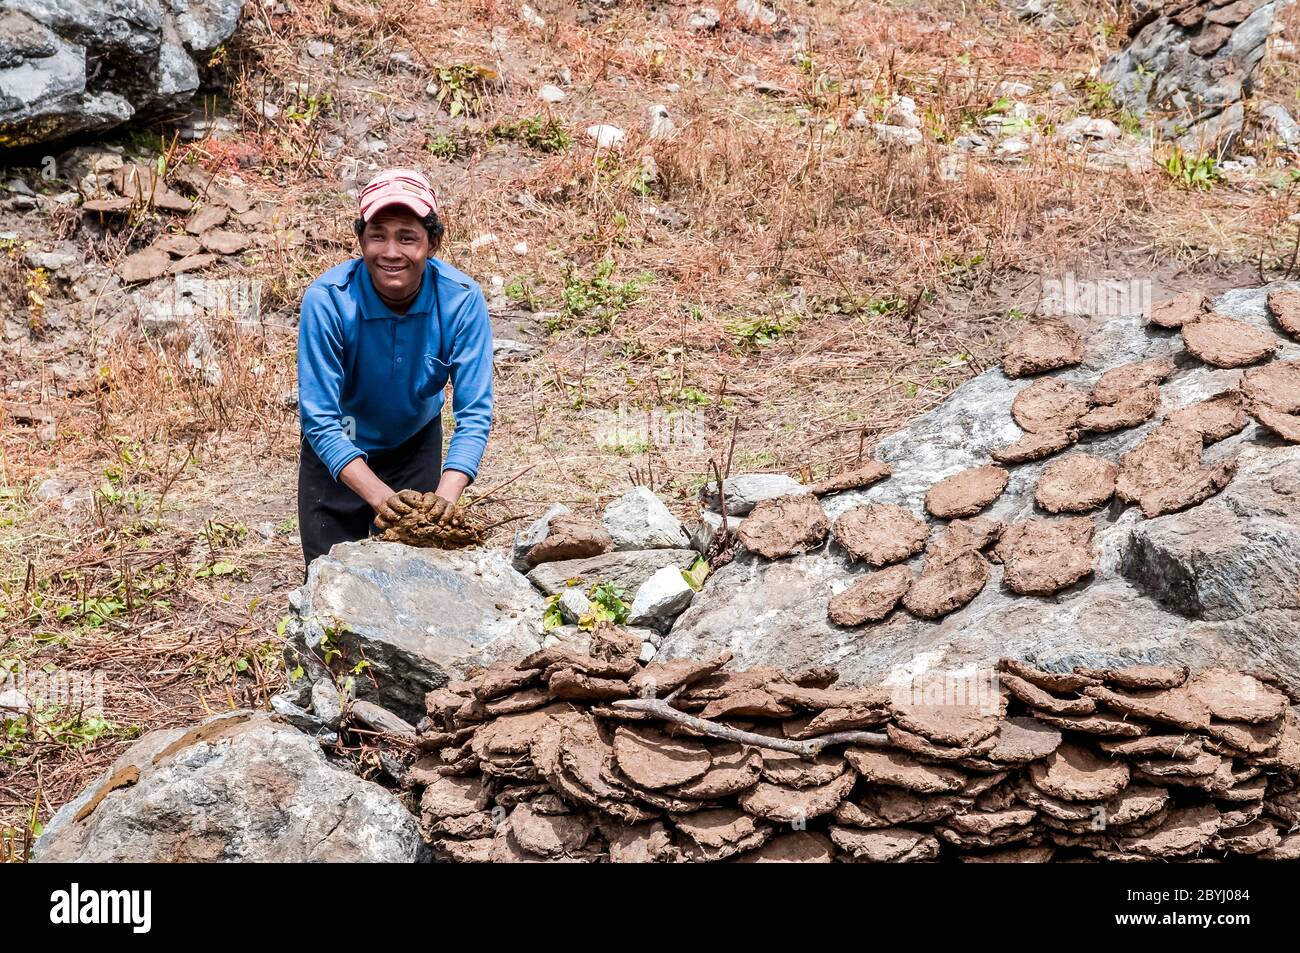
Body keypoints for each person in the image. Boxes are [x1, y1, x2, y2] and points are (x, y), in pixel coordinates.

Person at [295, 168, 493, 569]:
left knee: (414, 576)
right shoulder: (328, 301)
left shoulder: (461, 300)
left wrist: (442, 503)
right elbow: (319, 418)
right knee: (331, 579)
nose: (391, 252)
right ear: (361, 241)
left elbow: (474, 414)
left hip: (413, 444)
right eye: (378, 235)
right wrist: (383, 499)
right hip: (338, 449)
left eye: (407, 237)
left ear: (432, 243)